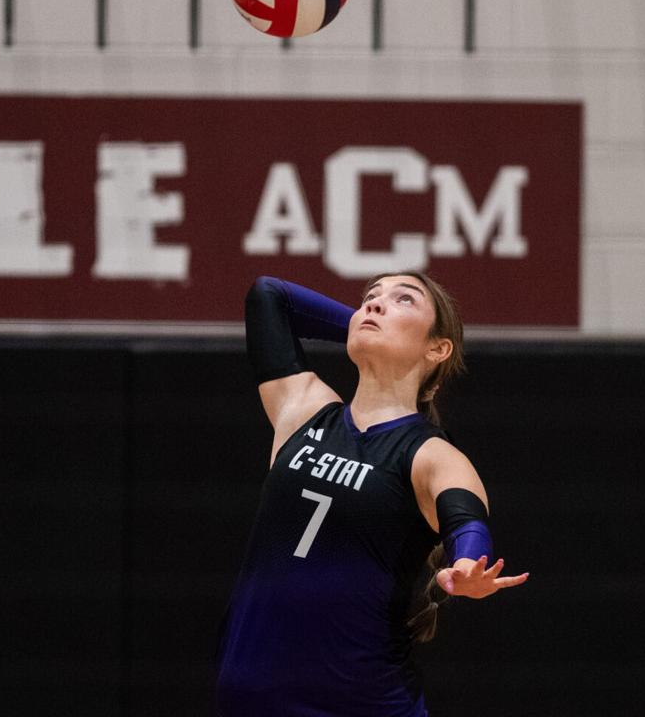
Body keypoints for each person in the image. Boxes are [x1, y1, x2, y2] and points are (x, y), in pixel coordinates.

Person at [214, 272, 528, 717]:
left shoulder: (432, 455)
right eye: (370, 298)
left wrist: (465, 565)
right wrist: (367, 323)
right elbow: (269, 296)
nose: (376, 304)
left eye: (403, 299)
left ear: (437, 349)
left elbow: (466, 522)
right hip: (250, 696)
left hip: (358, 700)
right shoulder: (302, 407)